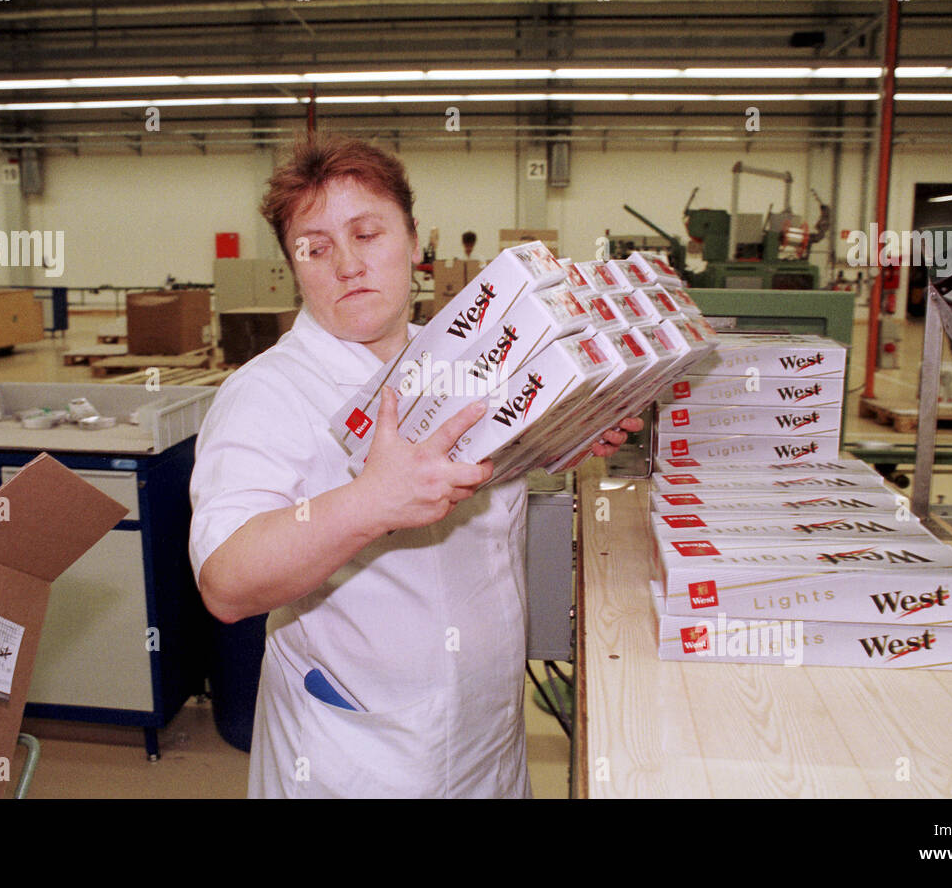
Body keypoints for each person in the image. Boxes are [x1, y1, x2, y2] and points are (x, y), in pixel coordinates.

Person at [188, 134, 640, 798]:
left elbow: (488, 484)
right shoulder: (265, 394)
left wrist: (565, 435)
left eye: (367, 234)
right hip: (356, 751)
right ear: (293, 267)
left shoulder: (468, 361)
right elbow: (225, 581)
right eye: (315, 248)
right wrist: (370, 503)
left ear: (415, 241)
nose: (346, 264)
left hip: (488, 735)